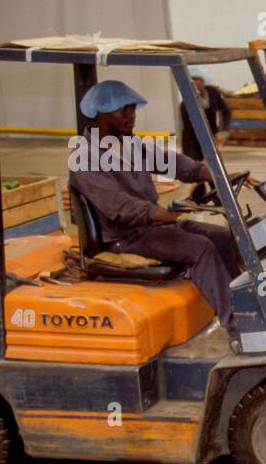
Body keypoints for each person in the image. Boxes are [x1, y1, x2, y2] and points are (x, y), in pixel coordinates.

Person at [68, 79, 242, 331]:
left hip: (149, 228)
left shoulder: (128, 144)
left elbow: (171, 162)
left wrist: (215, 175)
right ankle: (238, 326)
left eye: (133, 109)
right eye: (124, 110)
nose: (131, 116)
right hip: (123, 237)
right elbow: (121, 206)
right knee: (200, 247)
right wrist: (164, 214)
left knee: (223, 236)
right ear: (102, 113)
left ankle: (247, 307)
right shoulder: (85, 158)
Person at [178, 67, 231, 161]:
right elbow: (189, 129)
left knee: (215, 165)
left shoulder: (212, 92)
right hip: (193, 141)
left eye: (198, 79)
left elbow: (225, 110)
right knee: (195, 167)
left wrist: (223, 130)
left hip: (212, 136)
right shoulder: (186, 103)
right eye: (193, 80)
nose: (196, 83)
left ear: (203, 80)